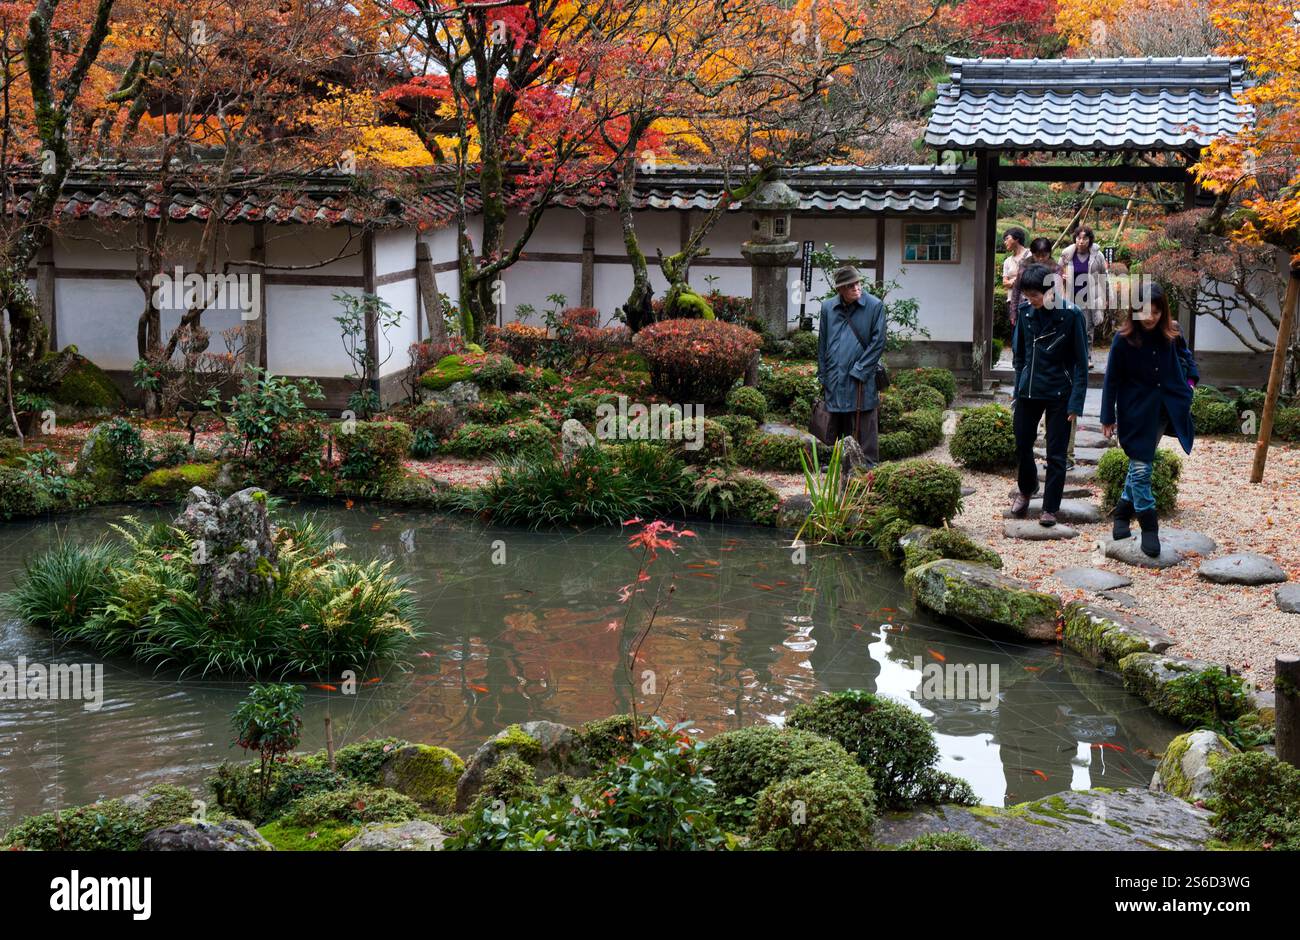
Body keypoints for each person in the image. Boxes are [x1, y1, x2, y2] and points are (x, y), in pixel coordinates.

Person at [1099, 282, 1197, 557]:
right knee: (1142, 467)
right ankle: (1149, 527)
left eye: (1156, 311)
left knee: (1140, 464)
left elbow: (1186, 358)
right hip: (1135, 412)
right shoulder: (1123, 338)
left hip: (1166, 409)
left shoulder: (1172, 332)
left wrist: (1189, 383)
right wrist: (1108, 416)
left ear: (1163, 311)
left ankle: (1121, 514)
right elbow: (1111, 379)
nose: (1151, 317)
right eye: (1145, 311)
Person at [1009, 263, 1090, 527]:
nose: (1031, 301)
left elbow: (1081, 362)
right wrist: (1017, 388)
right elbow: (1019, 355)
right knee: (1022, 444)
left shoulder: (1071, 315)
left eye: (1036, 296)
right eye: (1028, 296)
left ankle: (1050, 508)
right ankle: (1027, 487)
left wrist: (1075, 402)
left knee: (1056, 454)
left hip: (1059, 393)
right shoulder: (1025, 313)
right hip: (1028, 391)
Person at [817, 265, 886, 466]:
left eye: (858, 283)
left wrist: (861, 369)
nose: (857, 288)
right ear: (840, 289)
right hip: (835, 373)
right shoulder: (828, 307)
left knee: (864, 417)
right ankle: (842, 462)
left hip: (860, 376)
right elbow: (823, 342)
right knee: (839, 418)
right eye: (850, 285)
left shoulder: (874, 306)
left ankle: (868, 463)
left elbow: (878, 342)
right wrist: (823, 373)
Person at [1058, 226, 1109, 343]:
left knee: (1087, 328)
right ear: (1075, 238)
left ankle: (1087, 356)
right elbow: (1057, 272)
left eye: (1084, 238)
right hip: (1070, 297)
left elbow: (1104, 277)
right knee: (1069, 327)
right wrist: (1061, 277)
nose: (1081, 241)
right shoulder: (1067, 255)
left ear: (1090, 240)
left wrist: (1106, 296)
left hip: (1089, 297)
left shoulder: (1098, 256)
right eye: (1078, 238)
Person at [1001, 228, 1032, 329]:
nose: (1004, 242)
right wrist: (1015, 280)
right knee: (1015, 332)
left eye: (1007, 238)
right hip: (1012, 302)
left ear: (1017, 239)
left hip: (1029, 301)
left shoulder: (1031, 256)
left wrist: (1014, 281)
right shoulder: (1007, 261)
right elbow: (1004, 282)